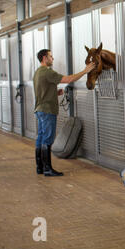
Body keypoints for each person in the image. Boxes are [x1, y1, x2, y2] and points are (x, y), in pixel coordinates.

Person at [34, 49, 95, 177]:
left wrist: (55, 93)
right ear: (45, 58)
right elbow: (68, 79)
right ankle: (47, 169)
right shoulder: (47, 72)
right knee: (47, 139)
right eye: (51, 56)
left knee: (40, 138)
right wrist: (85, 71)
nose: (53, 58)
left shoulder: (38, 72)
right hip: (47, 110)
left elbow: (42, 90)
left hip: (40, 109)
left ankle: (40, 167)